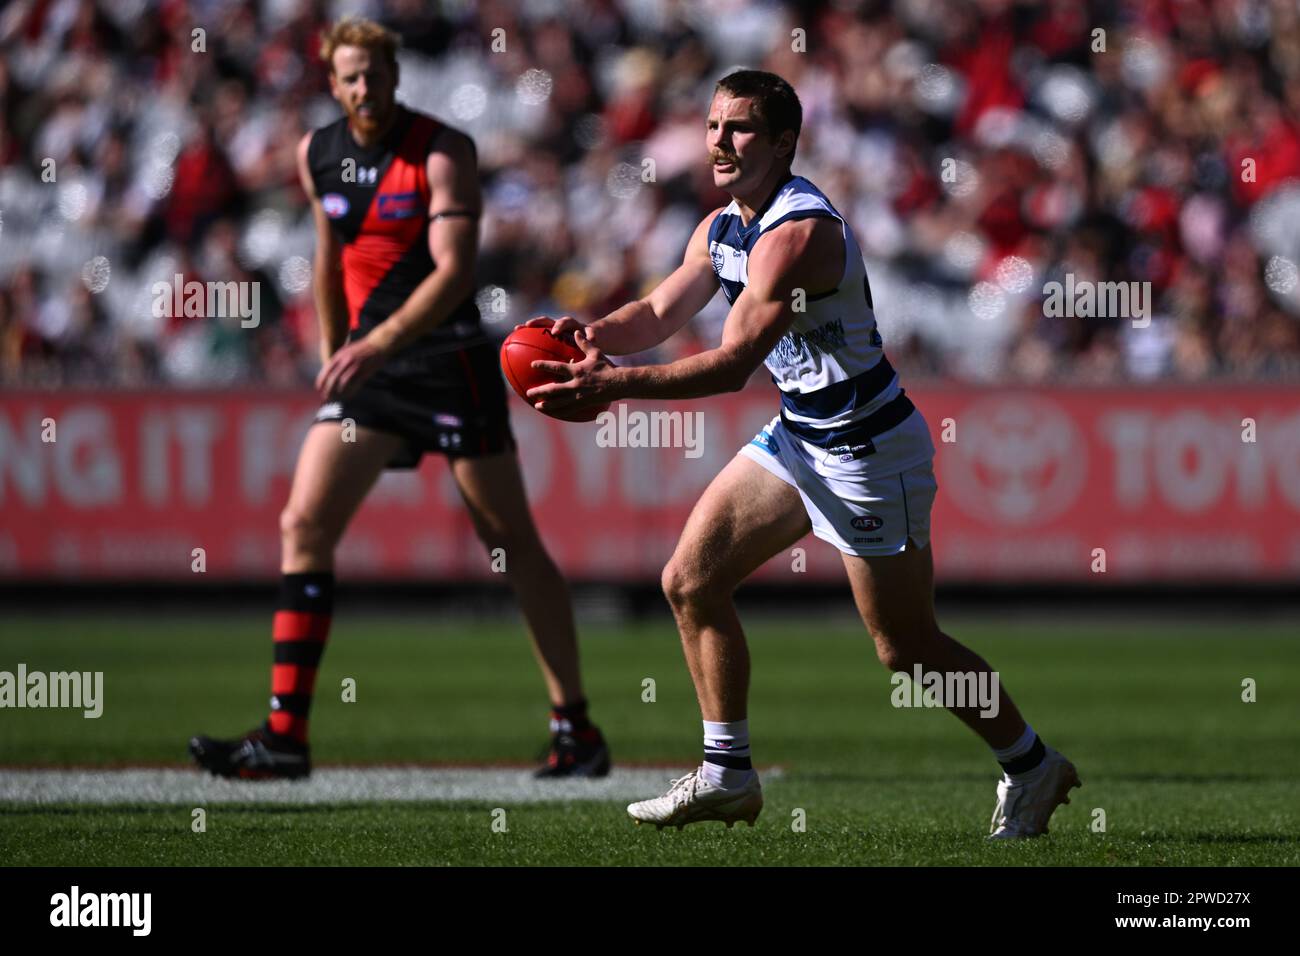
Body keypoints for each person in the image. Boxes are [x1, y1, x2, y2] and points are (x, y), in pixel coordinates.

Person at [524, 70, 1079, 837]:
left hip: (868, 449)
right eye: (715, 125)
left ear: (784, 142)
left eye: (741, 128)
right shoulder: (722, 225)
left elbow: (728, 366)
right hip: (800, 435)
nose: (720, 140)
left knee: (906, 648)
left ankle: (1031, 762)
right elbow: (658, 309)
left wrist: (615, 387)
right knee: (689, 580)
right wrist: (591, 337)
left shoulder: (800, 233)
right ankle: (728, 775)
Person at [190, 17, 609, 781]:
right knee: (304, 523)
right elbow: (327, 255)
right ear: (332, 80)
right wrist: (331, 350)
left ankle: (575, 726)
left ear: (394, 75)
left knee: (510, 544)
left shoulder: (444, 152)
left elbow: (453, 272)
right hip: (371, 376)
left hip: (449, 364)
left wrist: (372, 343)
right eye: (349, 77)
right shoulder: (318, 152)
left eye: (374, 75)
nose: (363, 88)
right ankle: (285, 734)